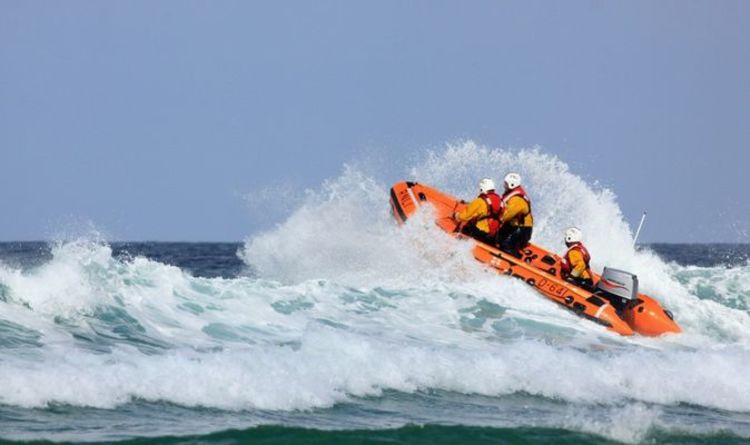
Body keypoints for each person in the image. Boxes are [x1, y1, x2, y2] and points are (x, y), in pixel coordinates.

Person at [452, 178, 502, 246]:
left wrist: (455, 215)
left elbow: (463, 217)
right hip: (492, 237)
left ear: (482, 189)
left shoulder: (480, 201)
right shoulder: (501, 202)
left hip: (479, 234)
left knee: (466, 226)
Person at [495, 172, 533, 256]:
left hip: (521, 229)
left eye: (506, 184)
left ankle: (513, 260)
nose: (504, 185)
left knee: (506, 245)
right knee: (496, 237)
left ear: (511, 184)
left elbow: (507, 215)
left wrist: (494, 218)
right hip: (513, 226)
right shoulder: (511, 194)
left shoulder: (517, 199)